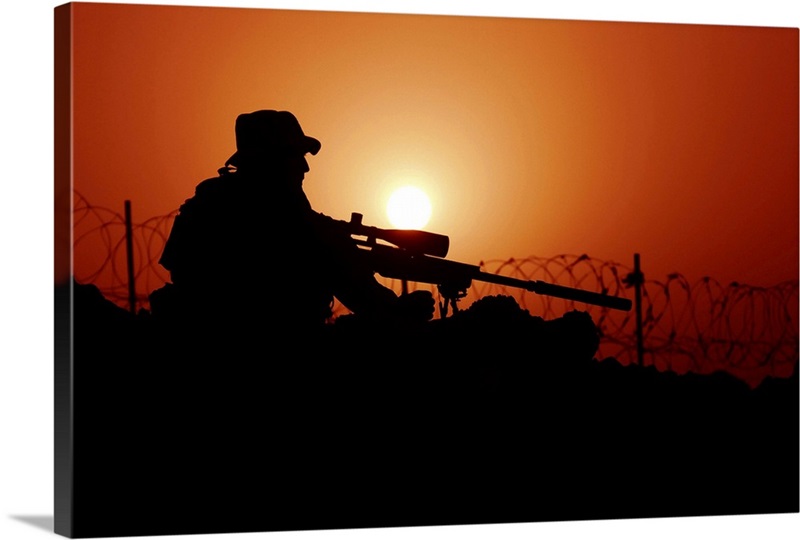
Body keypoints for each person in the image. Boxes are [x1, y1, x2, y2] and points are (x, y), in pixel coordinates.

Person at [149, 109, 434, 340]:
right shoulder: (289, 222)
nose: (305, 167)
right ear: (272, 161)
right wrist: (399, 309)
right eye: (295, 156)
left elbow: (179, 269)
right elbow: (357, 291)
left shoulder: (210, 201)